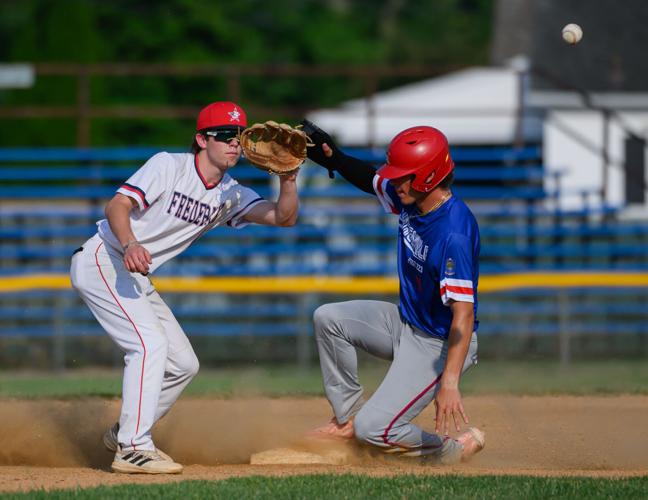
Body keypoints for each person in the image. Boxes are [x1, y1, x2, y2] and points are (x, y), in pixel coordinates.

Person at [70, 101, 300, 474]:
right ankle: (133, 447)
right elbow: (118, 205)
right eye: (224, 135)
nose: (234, 144)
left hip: (135, 275)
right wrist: (130, 243)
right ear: (201, 139)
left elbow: (283, 217)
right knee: (149, 344)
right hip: (106, 258)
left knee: (183, 365)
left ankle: (124, 432)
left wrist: (288, 179)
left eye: (239, 136)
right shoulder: (169, 165)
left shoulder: (231, 193)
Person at [301, 120, 484, 465]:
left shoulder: (453, 234)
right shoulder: (413, 197)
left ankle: (454, 450)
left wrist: (450, 381)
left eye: (403, 175)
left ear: (428, 177)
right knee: (328, 318)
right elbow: (371, 180)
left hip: (439, 345)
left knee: (375, 430)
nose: (394, 181)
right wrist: (334, 158)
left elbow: (464, 313)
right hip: (405, 323)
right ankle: (346, 420)